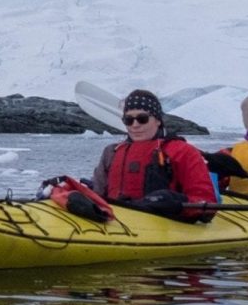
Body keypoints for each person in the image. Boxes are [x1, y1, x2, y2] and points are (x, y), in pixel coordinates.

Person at [91, 89, 217, 220]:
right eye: (128, 120)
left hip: (164, 227)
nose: (135, 125)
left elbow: (206, 202)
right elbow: (96, 195)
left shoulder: (183, 152)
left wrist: (176, 202)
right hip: (117, 222)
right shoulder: (112, 152)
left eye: (142, 119)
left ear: (158, 120)